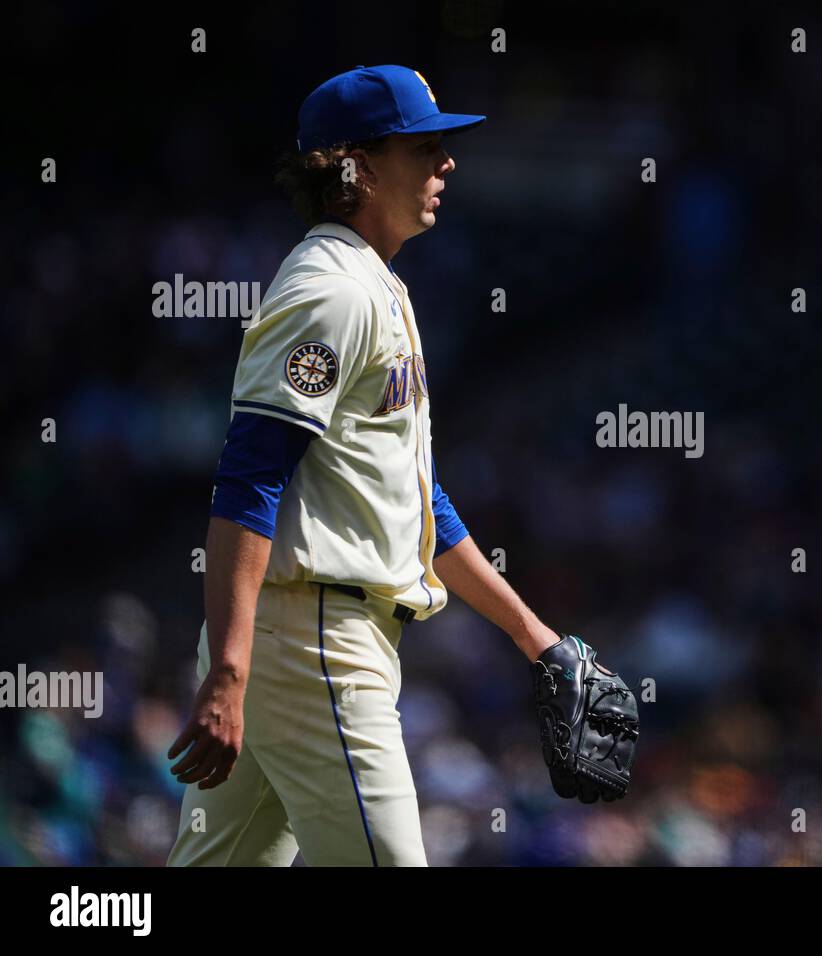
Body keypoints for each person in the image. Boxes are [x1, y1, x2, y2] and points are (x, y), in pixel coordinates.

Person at [166, 64, 572, 866]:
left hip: (310, 636)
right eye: (424, 145)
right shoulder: (332, 292)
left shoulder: (373, 283)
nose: (446, 163)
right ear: (354, 167)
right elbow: (250, 477)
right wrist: (230, 669)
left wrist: (536, 638)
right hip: (311, 642)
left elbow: (415, 500)